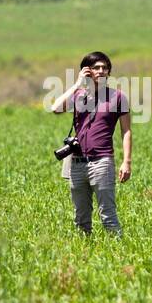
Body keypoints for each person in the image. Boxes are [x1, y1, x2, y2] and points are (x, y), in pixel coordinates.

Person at [51, 51, 131, 236]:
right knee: (81, 219)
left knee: (108, 215)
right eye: (96, 68)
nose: (101, 71)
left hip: (102, 162)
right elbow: (55, 108)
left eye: (105, 68)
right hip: (77, 163)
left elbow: (126, 131)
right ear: (87, 71)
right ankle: (84, 252)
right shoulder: (78, 96)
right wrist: (77, 84)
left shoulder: (118, 97)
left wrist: (126, 162)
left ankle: (119, 250)